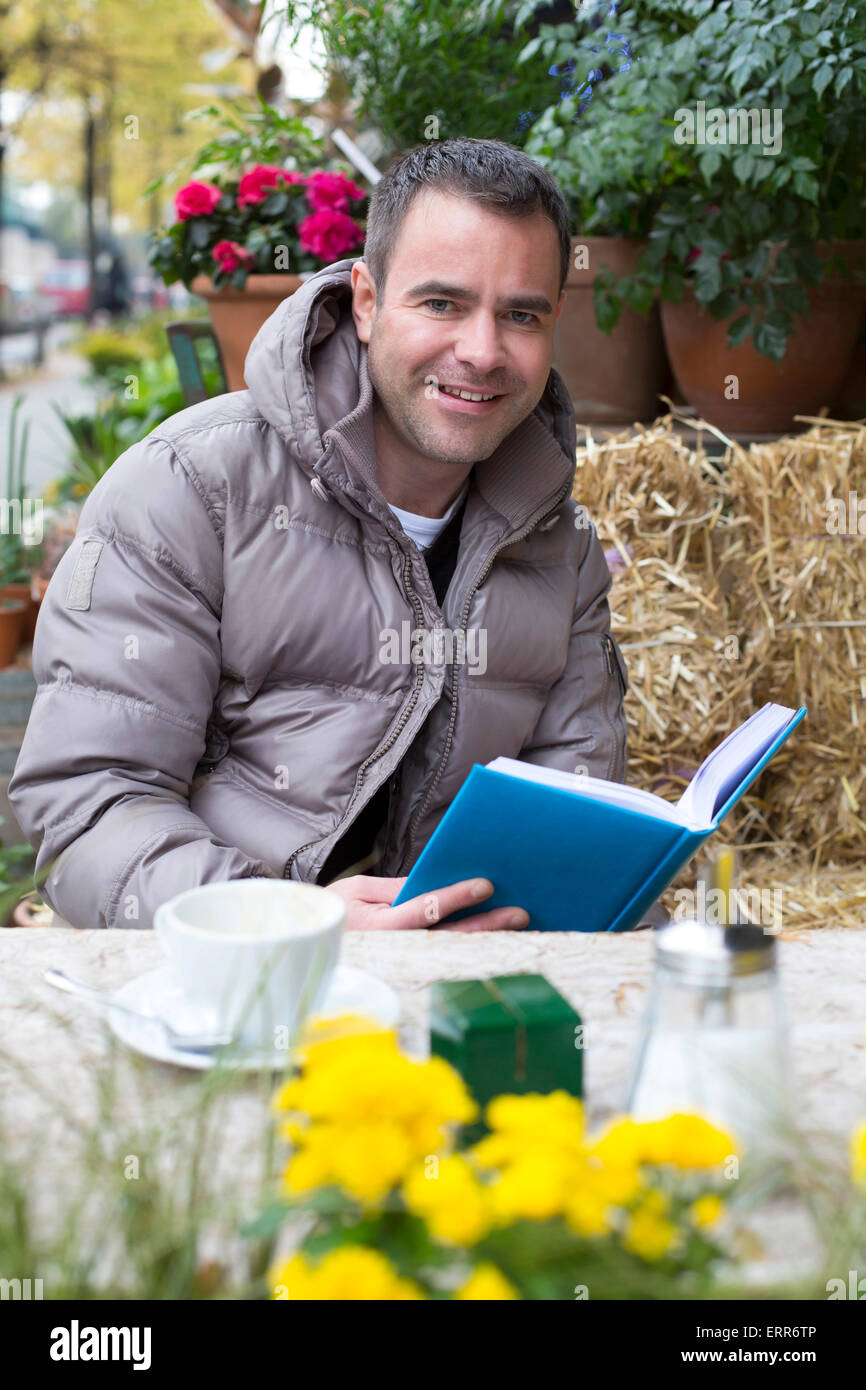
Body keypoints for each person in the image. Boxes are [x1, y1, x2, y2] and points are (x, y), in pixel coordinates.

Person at [8, 137, 628, 933]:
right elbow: (89, 807)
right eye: (441, 303)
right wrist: (288, 924)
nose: (481, 351)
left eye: (520, 314)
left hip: (454, 983)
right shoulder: (190, 489)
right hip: (221, 983)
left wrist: (509, 916)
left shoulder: (560, 544)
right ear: (365, 302)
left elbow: (572, 805)